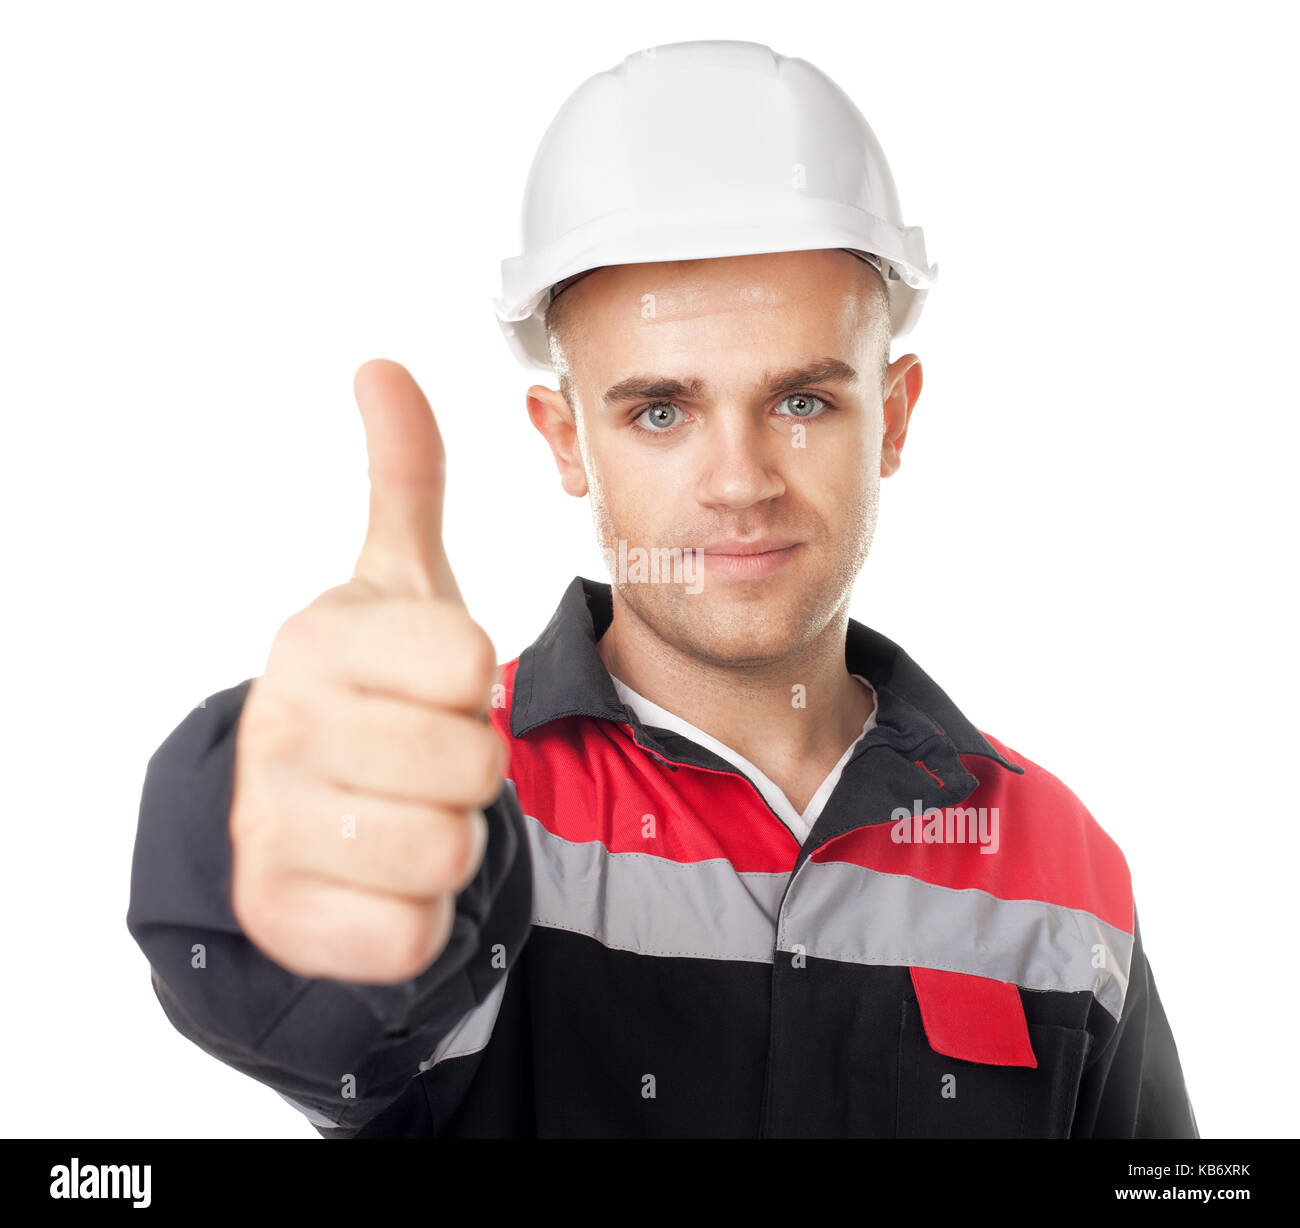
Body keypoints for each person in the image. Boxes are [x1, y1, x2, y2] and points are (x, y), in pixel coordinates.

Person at [127, 39, 1198, 1138]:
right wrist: (260, 812)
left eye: (800, 402)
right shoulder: (448, 793)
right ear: (565, 440)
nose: (739, 484)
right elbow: (305, 995)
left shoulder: (1060, 863)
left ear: (896, 415)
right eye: (659, 411)